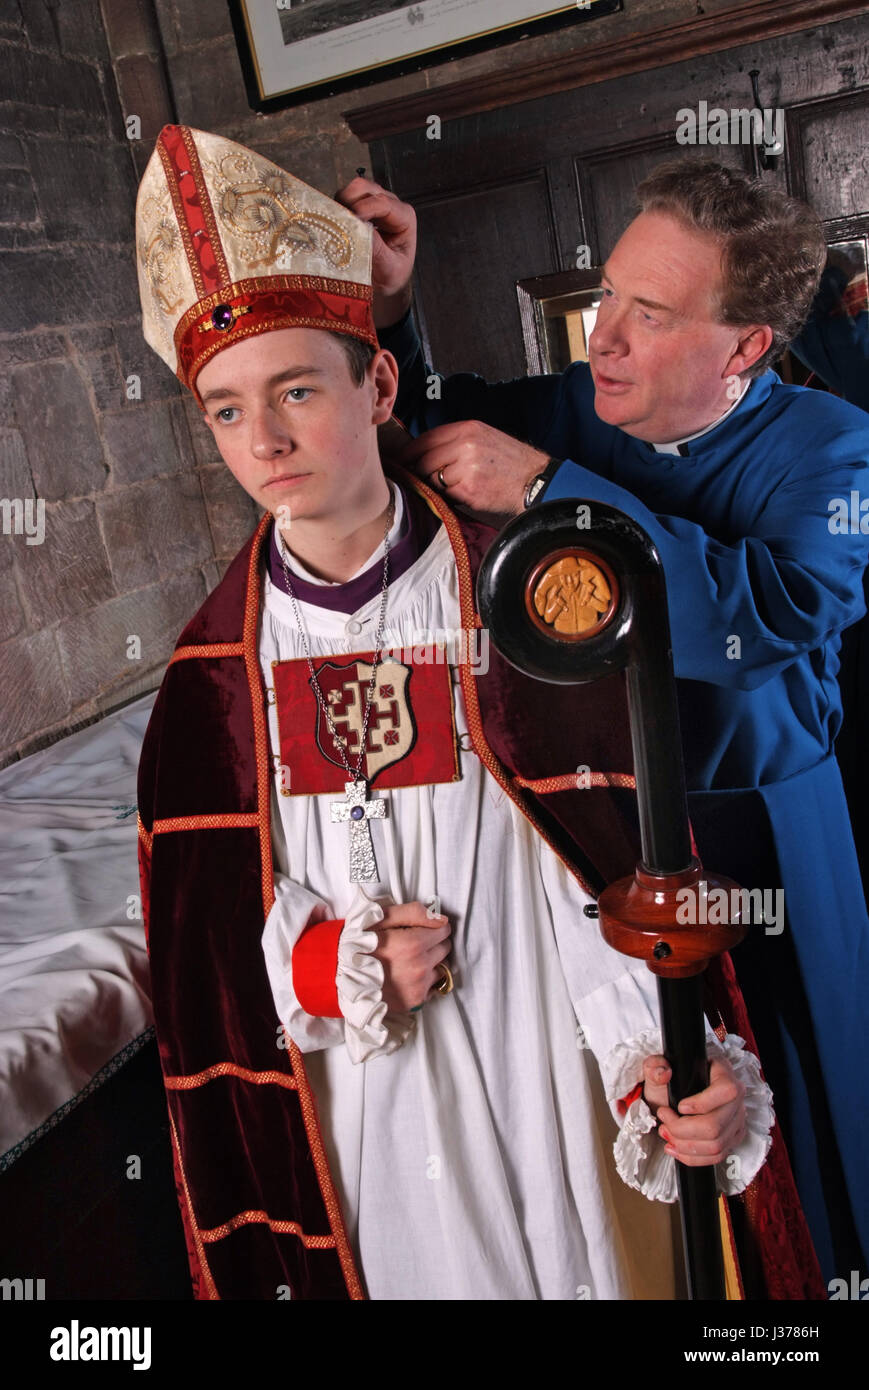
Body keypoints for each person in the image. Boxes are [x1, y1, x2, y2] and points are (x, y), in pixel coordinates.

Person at [134, 127, 808, 1303]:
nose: (270, 442)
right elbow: (209, 940)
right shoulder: (211, 673)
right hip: (366, 1096)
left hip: (536, 1051)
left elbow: (578, 869)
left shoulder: (521, 601)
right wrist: (318, 960)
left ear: (375, 384)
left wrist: (646, 1052)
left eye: (297, 390)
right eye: (227, 413)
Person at [338, 158, 869, 1278]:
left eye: (652, 313)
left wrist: (551, 494)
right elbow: (420, 426)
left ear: (743, 349)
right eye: (608, 293)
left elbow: (756, 620)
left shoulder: (834, 449)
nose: (602, 339)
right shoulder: (581, 404)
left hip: (761, 831)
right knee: (659, 1123)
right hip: (600, 832)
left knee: (806, 1102)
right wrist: (392, 303)